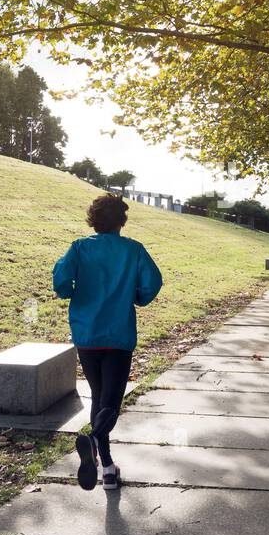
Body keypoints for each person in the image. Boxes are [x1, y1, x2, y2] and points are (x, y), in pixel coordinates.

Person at [52, 193, 162, 491]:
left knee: (99, 398)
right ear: (121, 221)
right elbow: (153, 282)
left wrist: (69, 292)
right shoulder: (133, 250)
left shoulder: (79, 248)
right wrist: (137, 298)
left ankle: (108, 467)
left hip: (87, 334)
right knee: (110, 402)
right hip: (118, 334)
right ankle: (94, 448)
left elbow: (61, 282)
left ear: (94, 219)